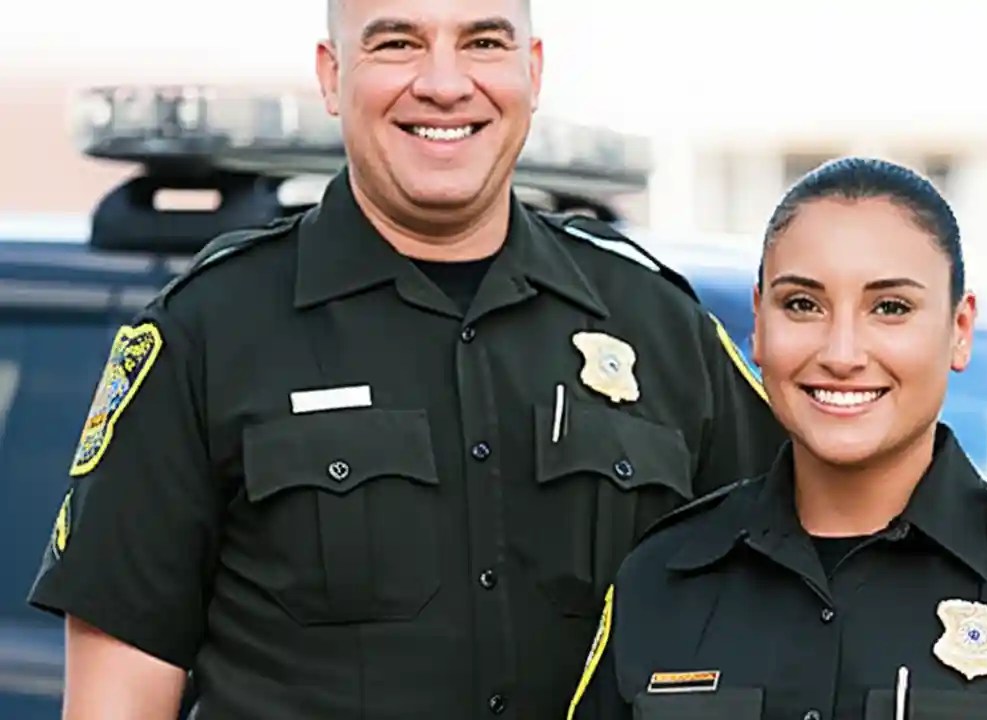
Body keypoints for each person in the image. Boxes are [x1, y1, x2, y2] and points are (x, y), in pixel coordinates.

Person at [25, 0, 785, 718]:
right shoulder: (207, 334)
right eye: (398, 42)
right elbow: (116, 699)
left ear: (535, 70)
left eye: (484, 42)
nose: (446, 84)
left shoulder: (660, 327)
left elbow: (812, 587)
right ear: (332, 74)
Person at [567, 158, 987, 720]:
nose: (842, 353)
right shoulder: (663, 579)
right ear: (758, 326)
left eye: (891, 308)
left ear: (959, 329)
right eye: (802, 306)